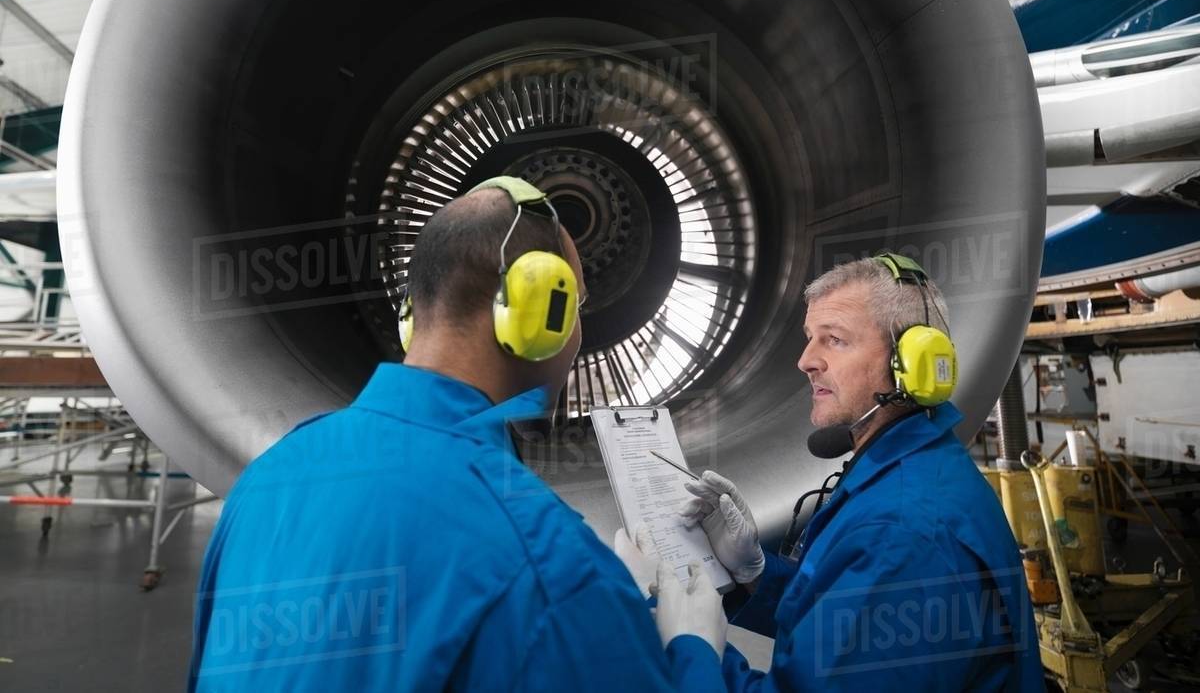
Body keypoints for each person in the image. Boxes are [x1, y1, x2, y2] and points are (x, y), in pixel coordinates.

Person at [188, 176, 724, 692]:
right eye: (574, 305)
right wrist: (692, 653)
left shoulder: (267, 477)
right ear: (541, 312)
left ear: (411, 315)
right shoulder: (550, 563)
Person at [668, 254, 1044, 691]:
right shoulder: (909, 471)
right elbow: (842, 628)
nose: (806, 360)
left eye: (834, 340)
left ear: (912, 363)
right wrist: (756, 572)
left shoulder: (902, 532)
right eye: (810, 338)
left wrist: (691, 648)